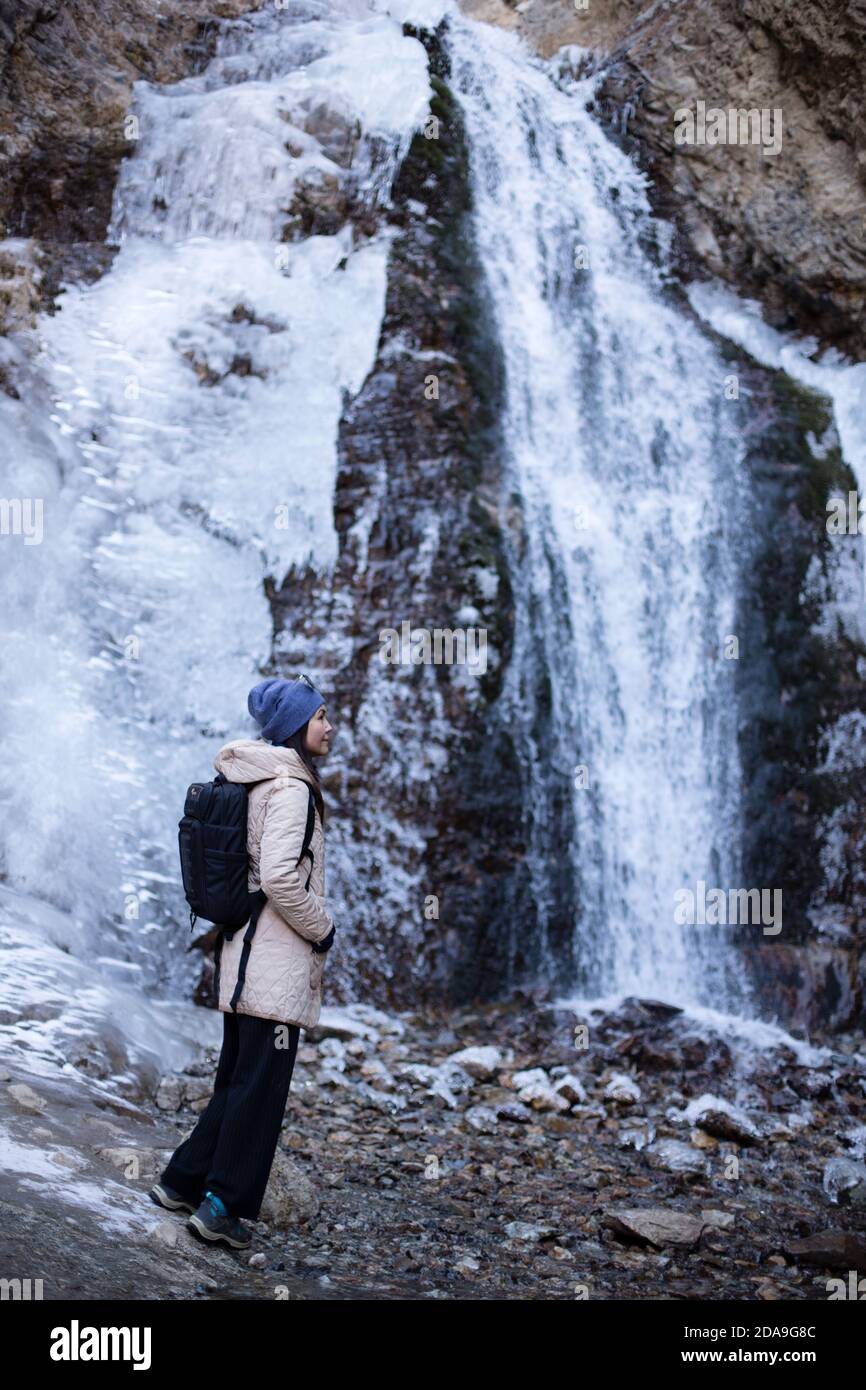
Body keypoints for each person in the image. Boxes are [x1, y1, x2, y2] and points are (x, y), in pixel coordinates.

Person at [150, 673, 336, 1249]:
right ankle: (222, 1207)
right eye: (321, 716)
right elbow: (279, 878)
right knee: (259, 1092)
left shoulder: (254, 779)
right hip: (274, 965)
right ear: (295, 726)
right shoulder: (291, 788)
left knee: (237, 1080)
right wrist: (323, 928)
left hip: (242, 958)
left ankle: (182, 1182)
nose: (330, 727)